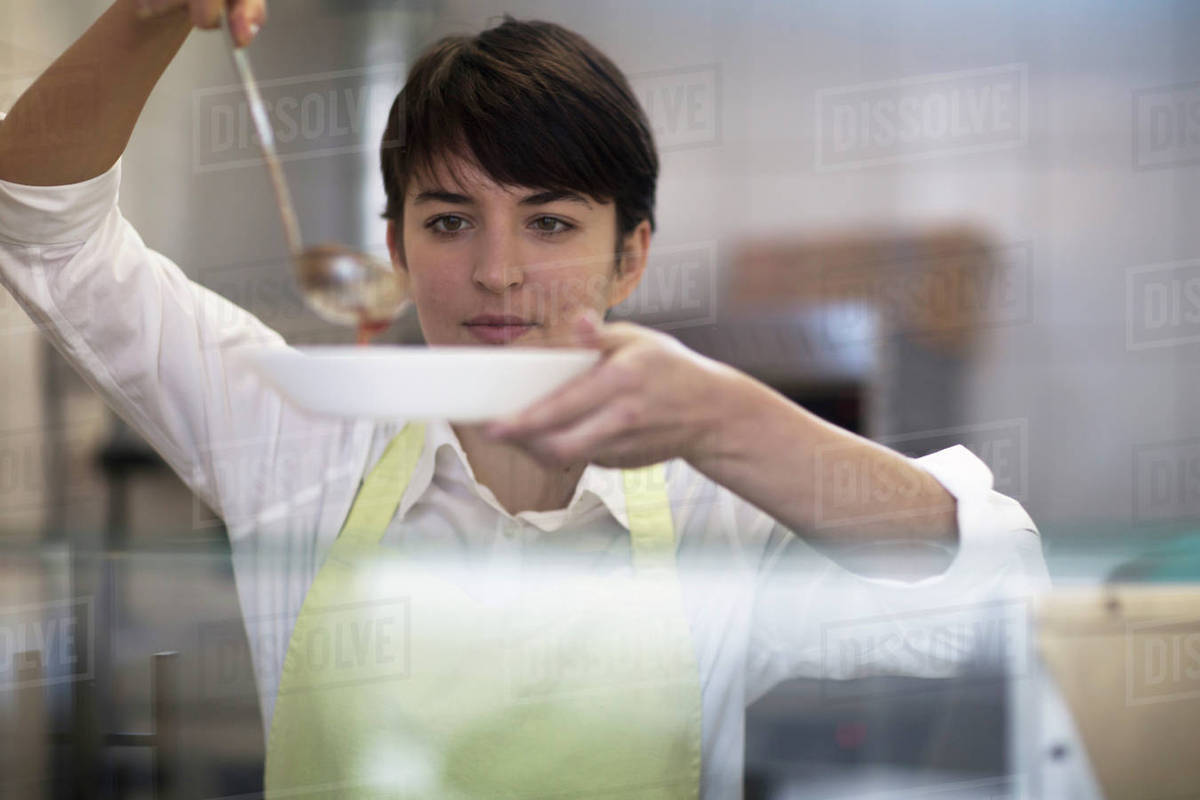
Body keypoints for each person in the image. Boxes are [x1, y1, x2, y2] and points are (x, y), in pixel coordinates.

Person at [0, 1, 1050, 797]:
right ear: (395, 246)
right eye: (451, 222)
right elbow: (40, 223)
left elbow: (994, 584)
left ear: (629, 253)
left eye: (549, 223)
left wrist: (733, 416)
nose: (498, 273)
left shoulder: (713, 482)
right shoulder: (300, 431)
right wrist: (142, 17)